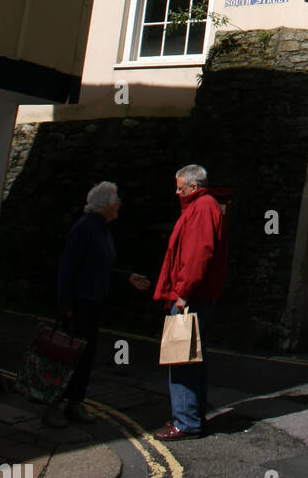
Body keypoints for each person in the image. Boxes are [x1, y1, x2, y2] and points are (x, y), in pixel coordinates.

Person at [46, 181, 150, 428]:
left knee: (85, 356)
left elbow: (100, 266)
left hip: (92, 303)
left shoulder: (102, 228)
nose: (119, 204)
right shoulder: (85, 228)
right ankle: (54, 407)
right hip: (79, 303)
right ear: (106, 204)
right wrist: (65, 306)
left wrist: (127, 277)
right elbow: (67, 268)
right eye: (116, 199)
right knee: (67, 357)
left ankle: (74, 403)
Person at [153, 165, 228, 440]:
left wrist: (183, 293)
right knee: (192, 358)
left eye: (180, 187)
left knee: (182, 359)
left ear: (193, 187)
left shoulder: (201, 208)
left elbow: (198, 255)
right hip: (197, 295)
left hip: (191, 297)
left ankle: (185, 422)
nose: (176, 191)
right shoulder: (204, 206)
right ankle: (192, 418)